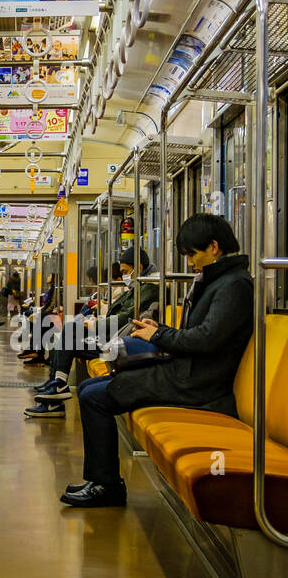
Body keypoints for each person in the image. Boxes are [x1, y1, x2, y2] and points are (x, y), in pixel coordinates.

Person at [60, 215, 253, 508]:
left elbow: (206, 338)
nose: (190, 263)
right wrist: (158, 333)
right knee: (89, 388)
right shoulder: (218, 281)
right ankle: (101, 479)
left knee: (95, 397)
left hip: (197, 384)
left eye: (192, 254)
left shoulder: (233, 285)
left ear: (213, 247)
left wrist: (158, 334)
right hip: (185, 371)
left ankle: (106, 485)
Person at [25, 248, 158, 419]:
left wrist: (95, 326)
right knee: (70, 332)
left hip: (119, 342)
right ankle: (55, 385)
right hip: (112, 337)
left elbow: (126, 318)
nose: (124, 276)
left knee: (71, 331)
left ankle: (56, 388)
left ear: (138, 267)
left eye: (125, 272)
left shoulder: (148, 290)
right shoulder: (138, 288)